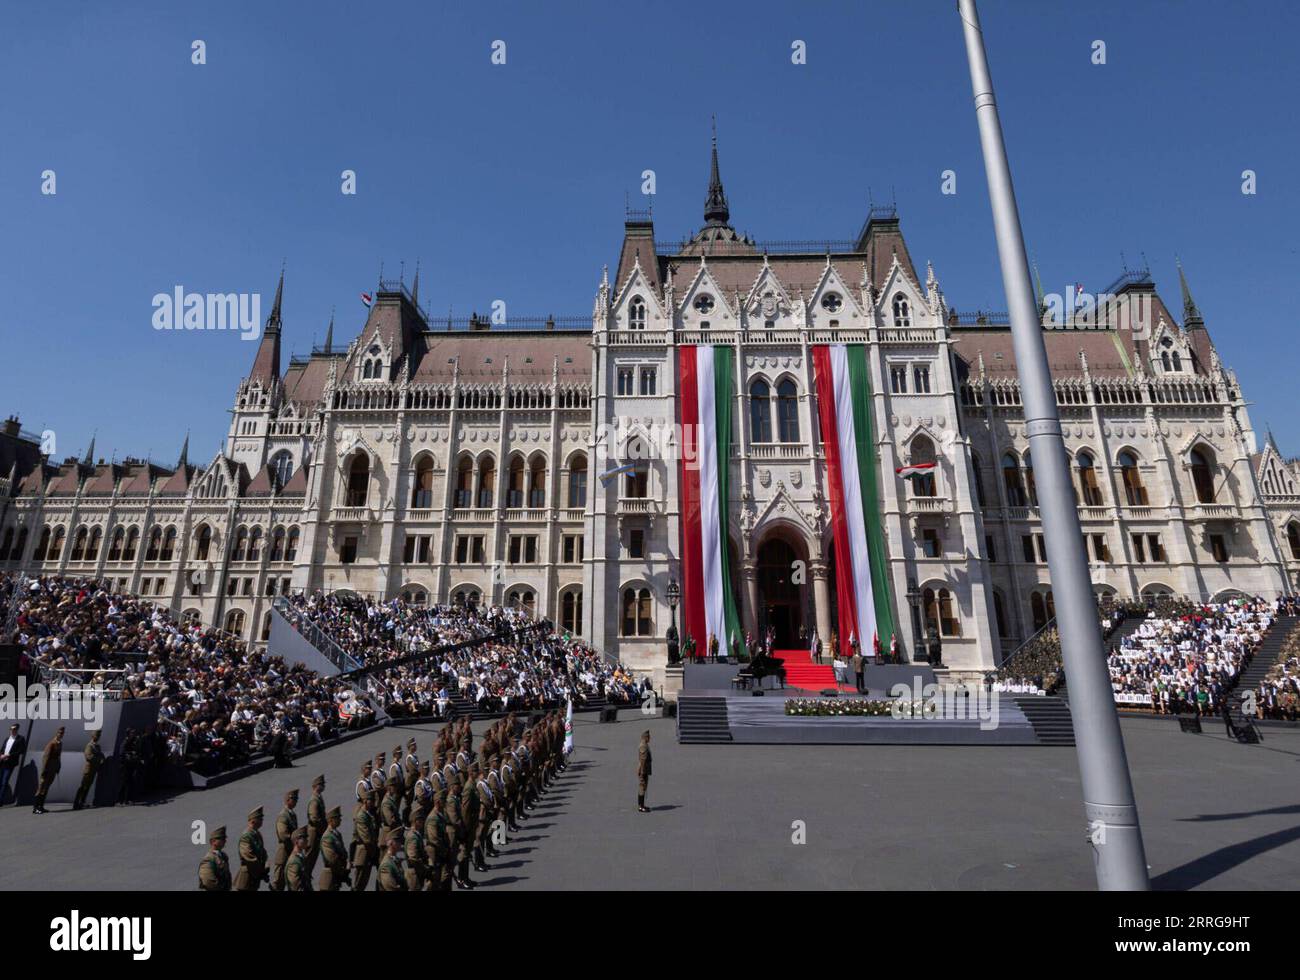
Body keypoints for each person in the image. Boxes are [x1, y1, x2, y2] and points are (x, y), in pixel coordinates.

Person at [233, 806, 269, 891]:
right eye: (260, 819)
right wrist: (261, 871)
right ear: (253, 821)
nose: (262, 821)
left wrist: (266, 864)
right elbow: (249, 857)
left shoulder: (257, 834)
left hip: (255, 875)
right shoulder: (246, 837)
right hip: (247, 876)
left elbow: (263, 852)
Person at [270, 788, 299, 891]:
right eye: (293, 799)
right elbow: (283, 834)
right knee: (279, 883)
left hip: (292, 850)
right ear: (287, 800)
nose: (296, 801)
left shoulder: (292, 815)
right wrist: (296, 841)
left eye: (296, 799)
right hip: (284, 852)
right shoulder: (283, 816)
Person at [32, 726, 65, 814]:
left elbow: (58, 757)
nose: (61, 734)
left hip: (53, 768)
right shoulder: (52, 743)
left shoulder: (60, 743)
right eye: (59, 733)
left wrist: (58, 767)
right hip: (47, 768)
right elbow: (45, 757)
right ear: (56, 733)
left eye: (62, 733)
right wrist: (44, 770)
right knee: (41, 787)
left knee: (46, 788)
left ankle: (41, 806)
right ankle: (35, 808)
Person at [351, 789, 378, 891]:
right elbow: (366, 838)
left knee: (363, 882)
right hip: (363, 852)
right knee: (359, 883)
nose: (372, 803)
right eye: (370, 800)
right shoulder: (362, 816)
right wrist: (373, 852)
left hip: (367, 851)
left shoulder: (368, 814)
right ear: (365, 801)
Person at [317, 805, 349, 891]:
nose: (340, 820)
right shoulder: (327, 837)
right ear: (331, 820)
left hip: (336, 875)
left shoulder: (337, 834)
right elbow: (331, 859)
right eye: (337, 818)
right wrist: (342, 871)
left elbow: (343, 853)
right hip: (329, 877)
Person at [73, 729, 104, 809]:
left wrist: (102, 758)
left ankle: (82, 802)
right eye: (97, 735)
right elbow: (88, 756)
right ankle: (76, 803)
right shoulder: (89, 745)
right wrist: (98, 759)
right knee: (83, 786)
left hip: (94, 770)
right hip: (89, 769)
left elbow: (101, 755)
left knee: (88, 786)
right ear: (93, 736)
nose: (98, 737)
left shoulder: (97, 746)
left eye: (99, 736)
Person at [304, 774, 327, 878]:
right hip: (314, 831)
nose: (323, 786)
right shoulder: (314, 800)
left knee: (314, 854)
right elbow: (313, 818)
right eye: (321, 784)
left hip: (318, 830)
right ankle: (305, 873)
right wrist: (322, 823)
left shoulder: (319, 797)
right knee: (310, 854)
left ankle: (308, 873)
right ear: (315, 786)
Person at [197, 824, 232, 891]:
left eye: (224, 839)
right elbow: (208, 881)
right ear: (213, 841)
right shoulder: (208, 859)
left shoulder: (223, 856)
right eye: (221, 839)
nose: (225, 841)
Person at [0, 724, 27, 806]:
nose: (12, 730)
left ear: (17, 730)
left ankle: (0, 801)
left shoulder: (20, 739)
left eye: (14, 729)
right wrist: (1, 755)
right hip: (2, 762)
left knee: (4, 782)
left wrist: (9, 755)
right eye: (11, 729)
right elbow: (2, 749)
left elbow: (21, 751)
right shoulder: (7, 739)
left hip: (10, 763)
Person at [285, 827, 311, 892]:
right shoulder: (294, 862)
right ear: (296, 841)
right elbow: (296, 886)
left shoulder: (300, 857)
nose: (307, 840)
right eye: (304, 838)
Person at [637, 729, 652, 813]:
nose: (650, 738)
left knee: (643, 786)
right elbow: (642, 760)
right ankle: (641, 807)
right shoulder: (643, 746)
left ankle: (642, 805)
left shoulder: (645, 744)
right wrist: (642, 772)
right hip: (644, 770)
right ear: (645, 737)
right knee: (642, 787)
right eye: (649, 737)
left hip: (644, 769)